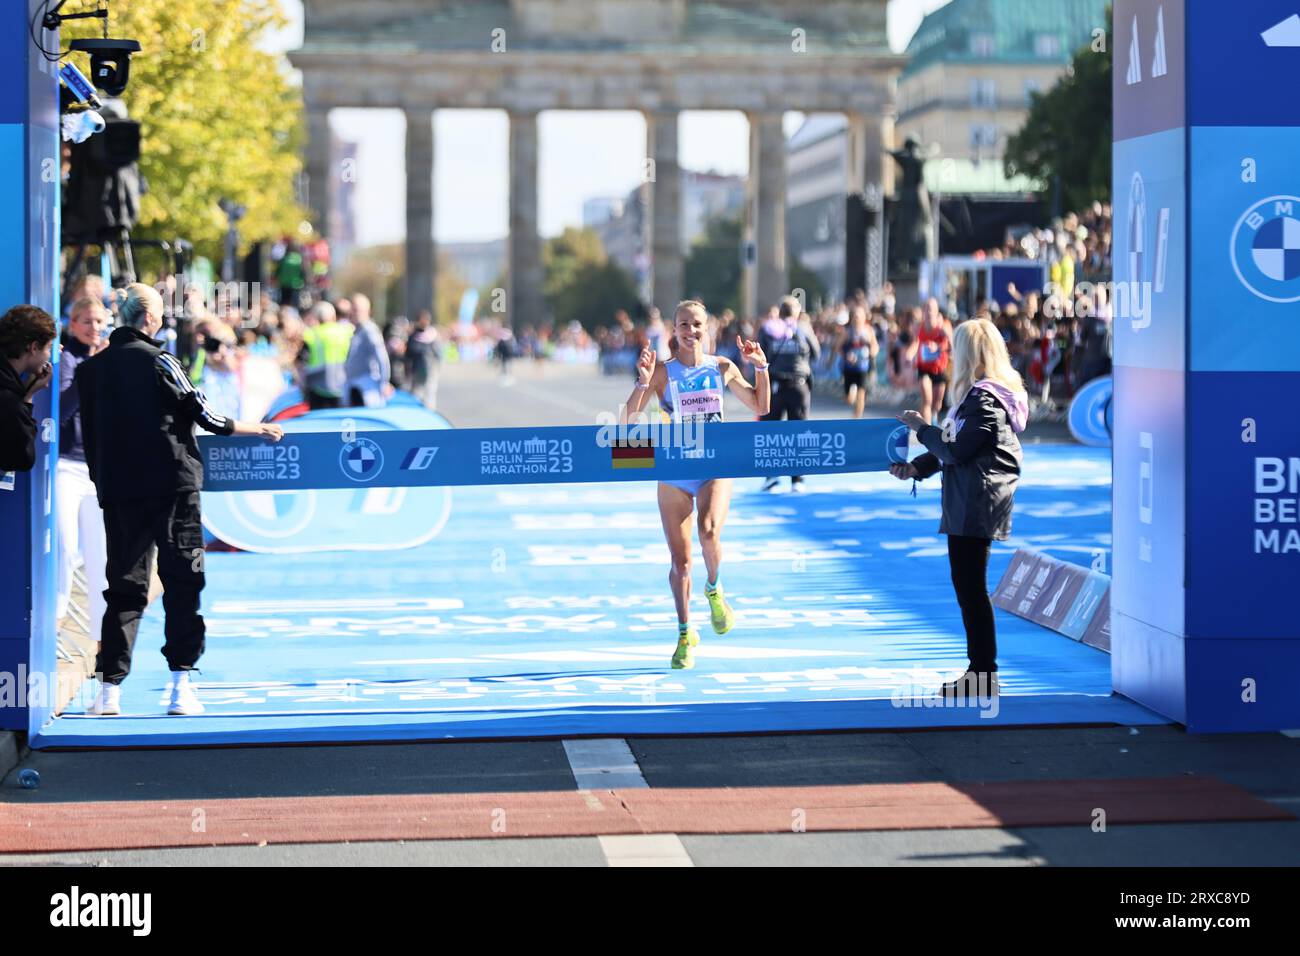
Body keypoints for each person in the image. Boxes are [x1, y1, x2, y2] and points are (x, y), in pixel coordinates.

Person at [76, 284, 284, 717]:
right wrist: (257, 428)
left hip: (119, 492)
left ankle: (108, 690)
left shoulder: (91, 370)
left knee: (124, 588)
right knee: (182, 583)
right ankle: (180, 685)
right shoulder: (162, 361)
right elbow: (205, 415)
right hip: (172, 487)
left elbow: (90, 435)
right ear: (150, 318)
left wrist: (104, 482)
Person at [622, 300, 769, 669]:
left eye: (697, 325)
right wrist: (642, 383)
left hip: (714, 464)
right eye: (684, 325)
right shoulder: (662, 372)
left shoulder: (721, 367)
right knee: (681, 562)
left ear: (708, 329)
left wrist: (761, 367)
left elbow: (760, 405)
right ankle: (686, 633)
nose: (691, 331)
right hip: (674, 469)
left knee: (708, 532)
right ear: (675, 330)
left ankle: (715, 588)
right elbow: (626, 424)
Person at [891, 318, 1028, 698]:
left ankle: (983, 674)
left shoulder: (984, 399)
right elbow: (953, 447)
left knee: (971, 588)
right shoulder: (982, 395)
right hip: (972, 496)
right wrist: (917, 467)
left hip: (976, 499)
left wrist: (921, 427)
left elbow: (954, 449)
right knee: (968, 587)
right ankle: (981, 672)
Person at [56, 298, 111, 640]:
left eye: (99, 322)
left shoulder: (109, 361)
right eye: (87, 321)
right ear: (73, 324)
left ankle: (104, 642)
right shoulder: (66, 358)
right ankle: (57, 622)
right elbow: (61, 410)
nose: (94, 329)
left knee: (101, 557)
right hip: (66, 466)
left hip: (98, 470)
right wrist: (88, 372)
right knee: (64, 546)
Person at [757, 295, 819, 493]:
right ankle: (797, 479)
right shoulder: (804, 329)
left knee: (770, 433)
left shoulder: (767, 329)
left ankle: (771, 477)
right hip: (799, 384)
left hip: (774, 386)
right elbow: (816, 353)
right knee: (799, 433)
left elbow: (760, 357)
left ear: (780, 311)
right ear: (797, 313)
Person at [0, 304, 56, 472]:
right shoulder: (9, 400)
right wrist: (27, 398)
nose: (49, 356)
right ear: (34, 348)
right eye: (49, 348)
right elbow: (22, 458)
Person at [298, 300, 353, 410]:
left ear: (316, 317)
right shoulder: (348, 331)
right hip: (342, 386)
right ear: (333, 316)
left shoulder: (311, 334)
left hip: (317, 388)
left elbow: (301, 363)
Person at [343, 293, 391, 408]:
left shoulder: (369, 330)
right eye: (352, 309)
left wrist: (384, 382)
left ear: (367, 311)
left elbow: (381, 357)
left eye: (357, 310)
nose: (353, 313)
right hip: (355, 385)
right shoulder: (358, 330)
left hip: (366, 387)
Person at [915, 297, 951, 425]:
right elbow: (914, 343)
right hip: (924, 368)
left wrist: (937, 345)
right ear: (923, 311)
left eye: (932, 309)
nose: (929, 312)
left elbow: (952, 344)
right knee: (927, 400)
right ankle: (927, 428)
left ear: (937, 312)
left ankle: (934, 416)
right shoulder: (919, 327)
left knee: (937, 404)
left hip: (939, 368)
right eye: (927, 309)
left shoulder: (944, 325)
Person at [839, 306, 879, 419]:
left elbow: (875, 346)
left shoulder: (868, 330)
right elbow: (838, 347)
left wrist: (872, 352)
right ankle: (851, 393)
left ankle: (856, 419)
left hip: (863, 367)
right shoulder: (847, 332)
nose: (857, 319)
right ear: (852, 318)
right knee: (848, 399)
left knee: (861, 396)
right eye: (855, 316)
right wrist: (846, 356)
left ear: (864, 317)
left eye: (859, 316)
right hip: (849, 368)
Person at [405, 310, 442, 409]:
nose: (424, 322)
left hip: (431, 369)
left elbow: (438, 353)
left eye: (426, 320)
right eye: (422, 320)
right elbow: (409, 353)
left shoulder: (433, 335)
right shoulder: (413, 336)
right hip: (417, 369)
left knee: (430, 394)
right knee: (416, 393)